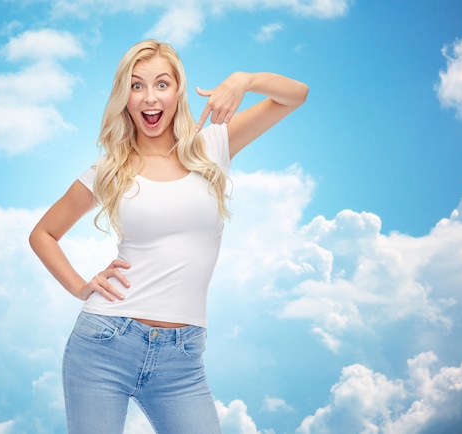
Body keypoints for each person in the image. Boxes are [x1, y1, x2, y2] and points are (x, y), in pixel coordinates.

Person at [29, 39, 308, 434]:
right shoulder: (110, 169)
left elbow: (296, 95)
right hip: (105, 343)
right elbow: (43, 233)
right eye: (136, 85)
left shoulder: (213, 146)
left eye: (161, 84)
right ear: (124, 96)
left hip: (183, 358)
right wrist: (79, 286)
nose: (149, 97)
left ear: (178, 91)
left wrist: (245, 81)